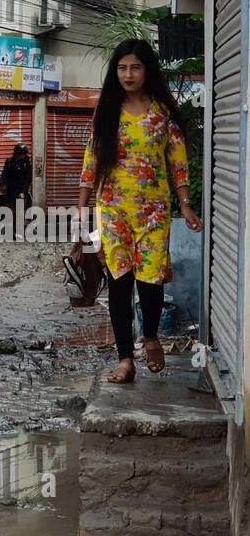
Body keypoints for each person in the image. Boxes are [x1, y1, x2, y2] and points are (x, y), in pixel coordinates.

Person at [79, 38, 201, 384]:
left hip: (154, 212)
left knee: (150, 282)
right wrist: (81, 208)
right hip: (113, 210)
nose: (128, 74)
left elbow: (178, 163)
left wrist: (185, 205)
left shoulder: (163, 114)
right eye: (122, 68)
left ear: (147, 71)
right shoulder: (106, 111)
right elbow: (91, 160)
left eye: (135, 67)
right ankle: (125, 360)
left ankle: (150, 336)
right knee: (119, 284)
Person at [0, 143, 33, 212]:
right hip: (11, 191)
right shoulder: (9, 162)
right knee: (10, 211)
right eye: (21, 154)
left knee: (19, 212)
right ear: (16, 153)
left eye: (24, 154)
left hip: (21, 191)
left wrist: (23, 192)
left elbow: (27, 180)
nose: (23, 156)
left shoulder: (27, 164)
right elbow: (4, 174)